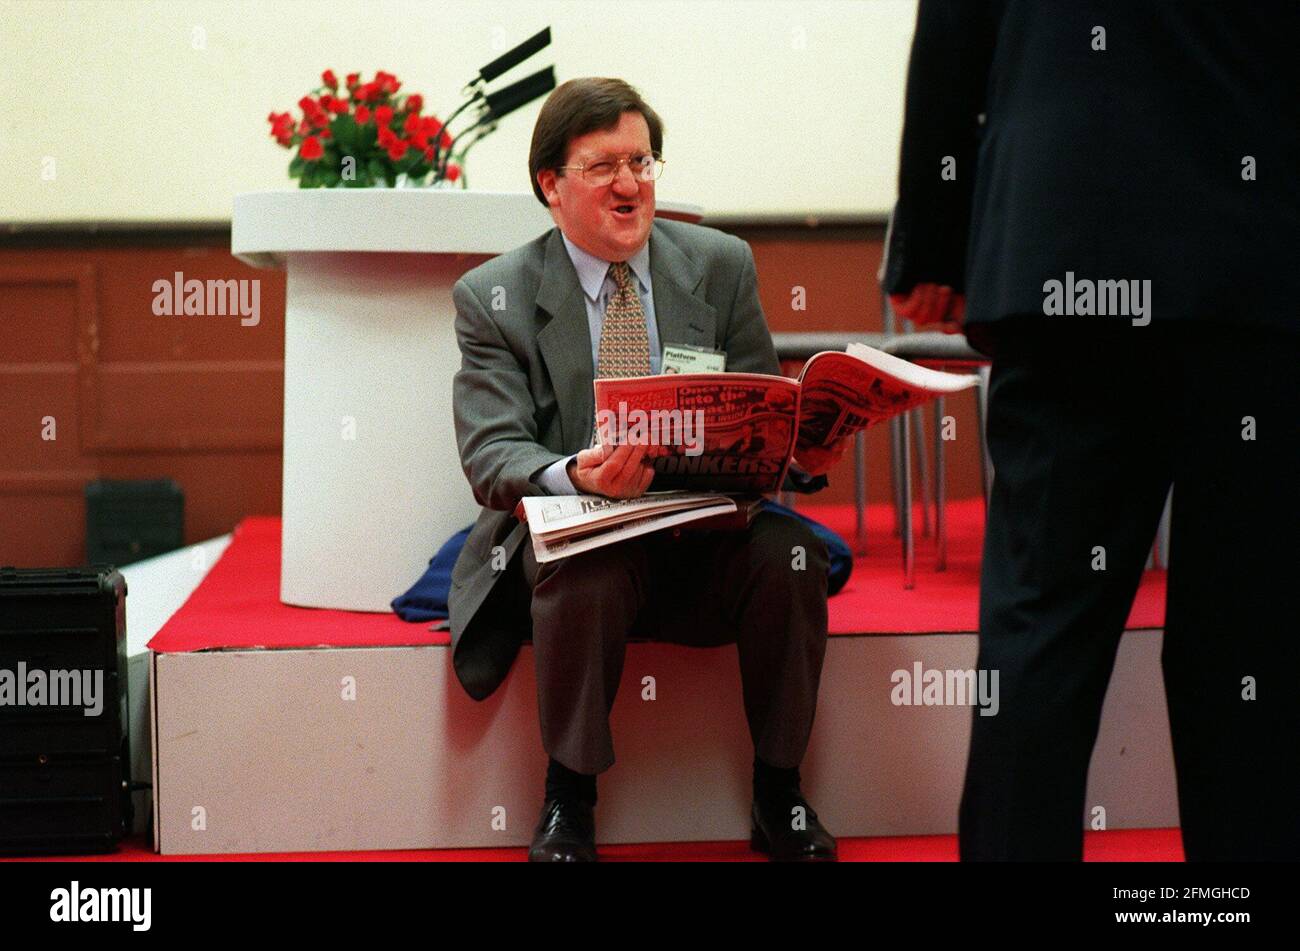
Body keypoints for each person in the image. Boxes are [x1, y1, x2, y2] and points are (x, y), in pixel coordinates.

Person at [886, 1, 1299, 860]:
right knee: (1250, 635)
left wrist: (933, 241)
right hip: (1258, 259)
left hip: (1068, 242)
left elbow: (954, 34)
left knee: (1042, 624)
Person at [449, 77, 847, 862]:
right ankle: (569, 796)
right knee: (584, 571)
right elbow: (492, 454)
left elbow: (761, 408)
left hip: (705, 530)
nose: (630, 185)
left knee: (791, 557)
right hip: (586, 538)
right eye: (603, 167)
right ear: (551, 185)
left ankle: (780, 792)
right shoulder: (495, 296)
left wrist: (803, 452)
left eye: (641, 161)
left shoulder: (720, 264)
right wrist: (578, 474)